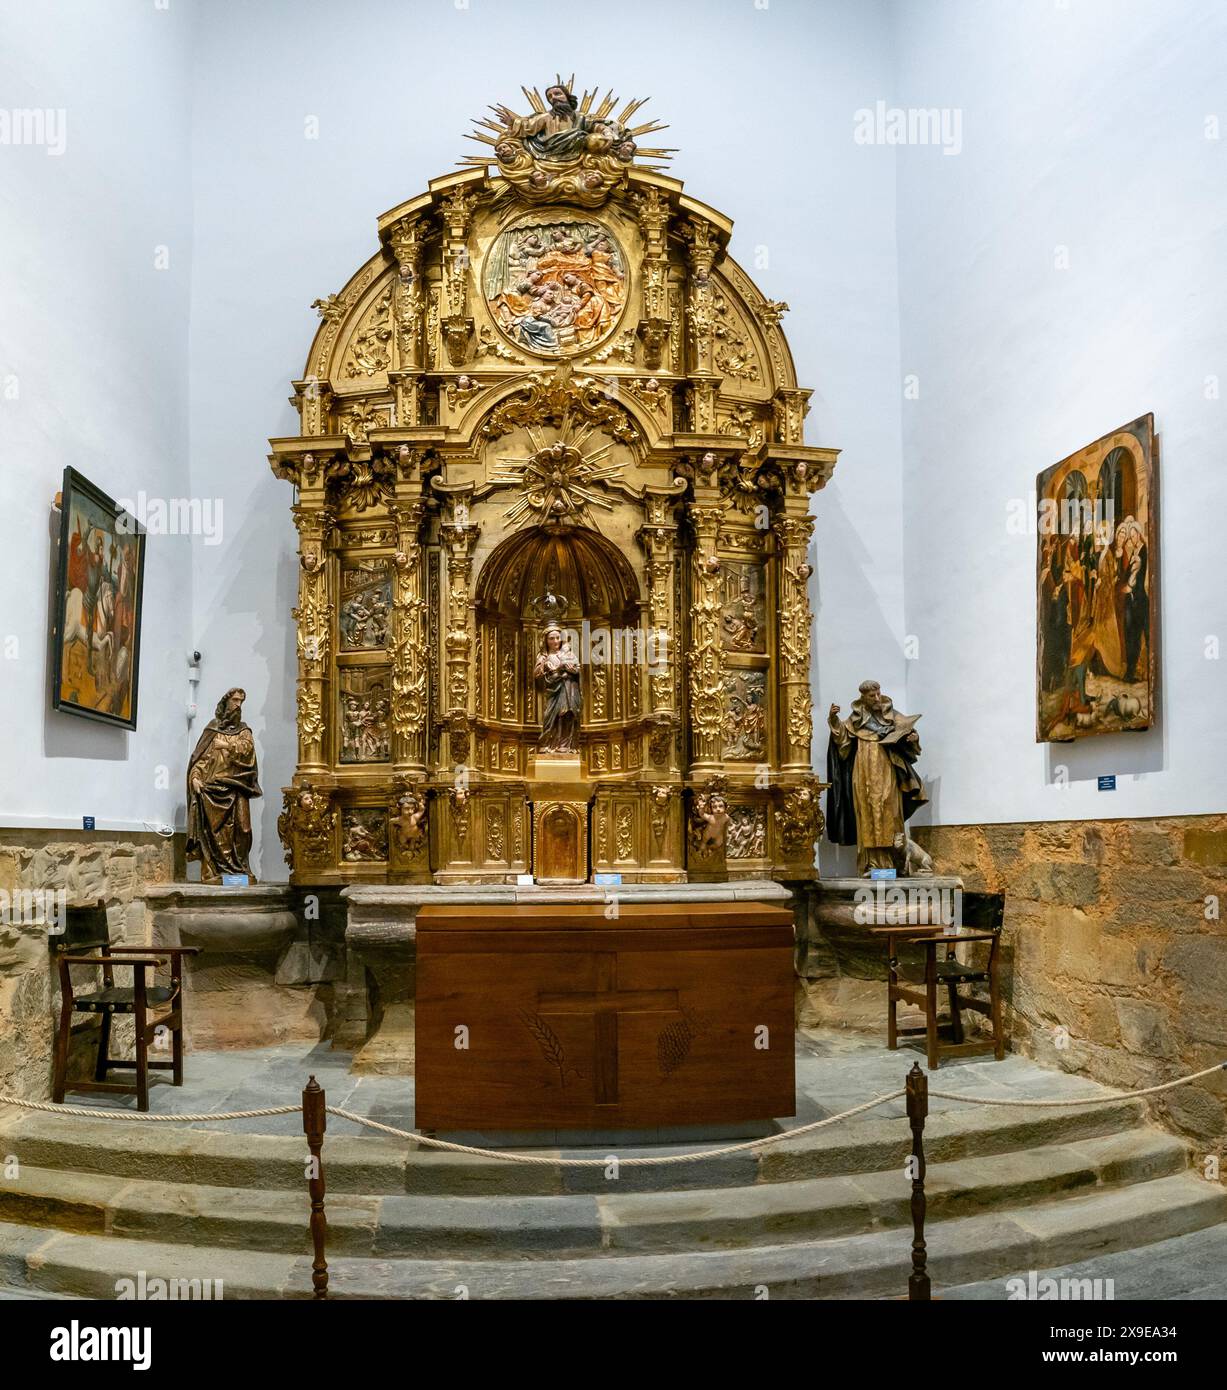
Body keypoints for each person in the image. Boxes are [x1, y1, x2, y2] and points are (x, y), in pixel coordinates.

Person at [826, 680, 927, 876]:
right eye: (872, 696)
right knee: (867, 815)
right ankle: (872, 866)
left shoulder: (892, 716)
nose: (877, 698)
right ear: (863, 698)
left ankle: (896, 864)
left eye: (879, 694)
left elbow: (907, 734)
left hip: (887, 771)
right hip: (862, 772)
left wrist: (913, 739)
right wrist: (833, 720)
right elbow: (843, 743)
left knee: (889, 812)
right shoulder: (855, 721)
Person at [186, 688, 262, 883]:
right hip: (213, 790)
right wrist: (195, 777)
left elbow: (247, 750)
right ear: (226, 702)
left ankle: (241, 869)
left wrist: (227, 745)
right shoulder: (212, 730)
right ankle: (215, 871)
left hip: (238, 787)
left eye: (241, 701)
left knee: (243, 829)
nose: (238, 705)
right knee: (214, 833)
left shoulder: (244, 731)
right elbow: (201, 760)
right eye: (235, 700)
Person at [534, 624, 582, 753]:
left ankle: (564, 745)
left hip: (568, 689)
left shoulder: (568, 654)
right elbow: (536, 674)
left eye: (557, 638)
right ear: (545, 640)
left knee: (567, 714)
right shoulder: (543, 657)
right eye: (551, 638)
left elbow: (578, 670)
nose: (555, 641)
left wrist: (569, 669)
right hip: (553, 691)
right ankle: (547, 743)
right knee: (550, 716)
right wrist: (545, 667)